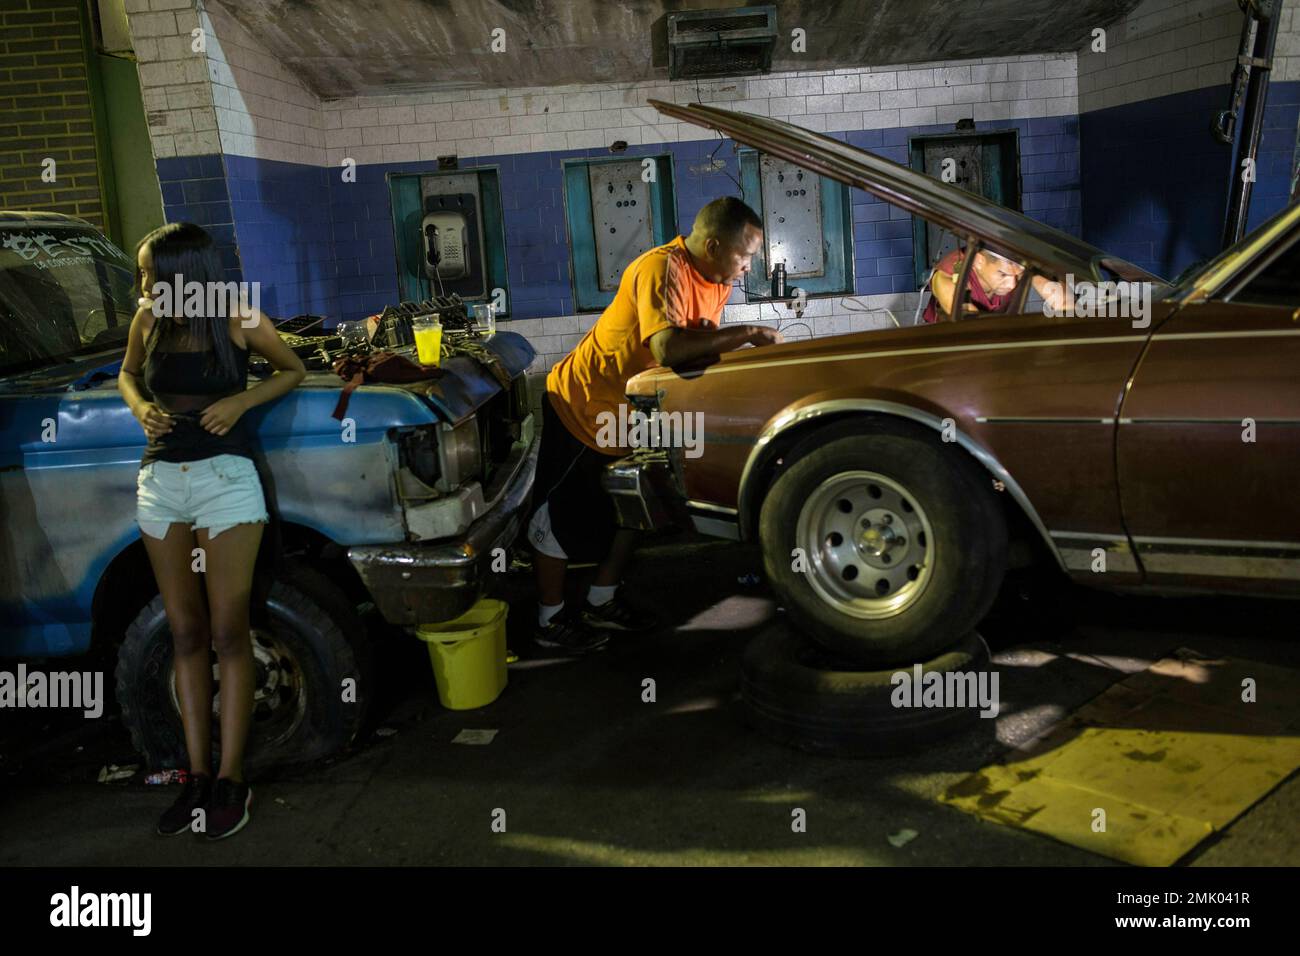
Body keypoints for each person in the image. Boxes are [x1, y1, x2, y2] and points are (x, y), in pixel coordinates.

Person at [527, 197, 783, 654]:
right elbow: (668, 348)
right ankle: (549, 620)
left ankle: (600, 601)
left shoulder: (715, 280)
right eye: (744, 255)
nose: (749, 266)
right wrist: (748, 334)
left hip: (633, 413)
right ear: (713, 244)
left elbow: (698, 347)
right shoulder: (660, 269)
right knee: (561, 519)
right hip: (584, 405)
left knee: (633, 509)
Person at [118, 222, 306, 839]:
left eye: (149, 270)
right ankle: (196, 778)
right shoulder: (148, 320)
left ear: (183, 272)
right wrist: (141, 406)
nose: (142, 282)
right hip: (161, 484)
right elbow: (127, 375)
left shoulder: (236, 315)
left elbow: (291, 369)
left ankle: (231, 779)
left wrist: (240, 402)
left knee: (229, 632)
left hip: (228, 483)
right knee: (185, 632)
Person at [922, 246, 1068, 323]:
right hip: (949, 348)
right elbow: (966, 317)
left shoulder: (1016, 267)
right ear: (979, 261)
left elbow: (1064, 302)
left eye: (1017, 275)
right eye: (1003, 274)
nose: (1012, 285)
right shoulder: (954, 271)